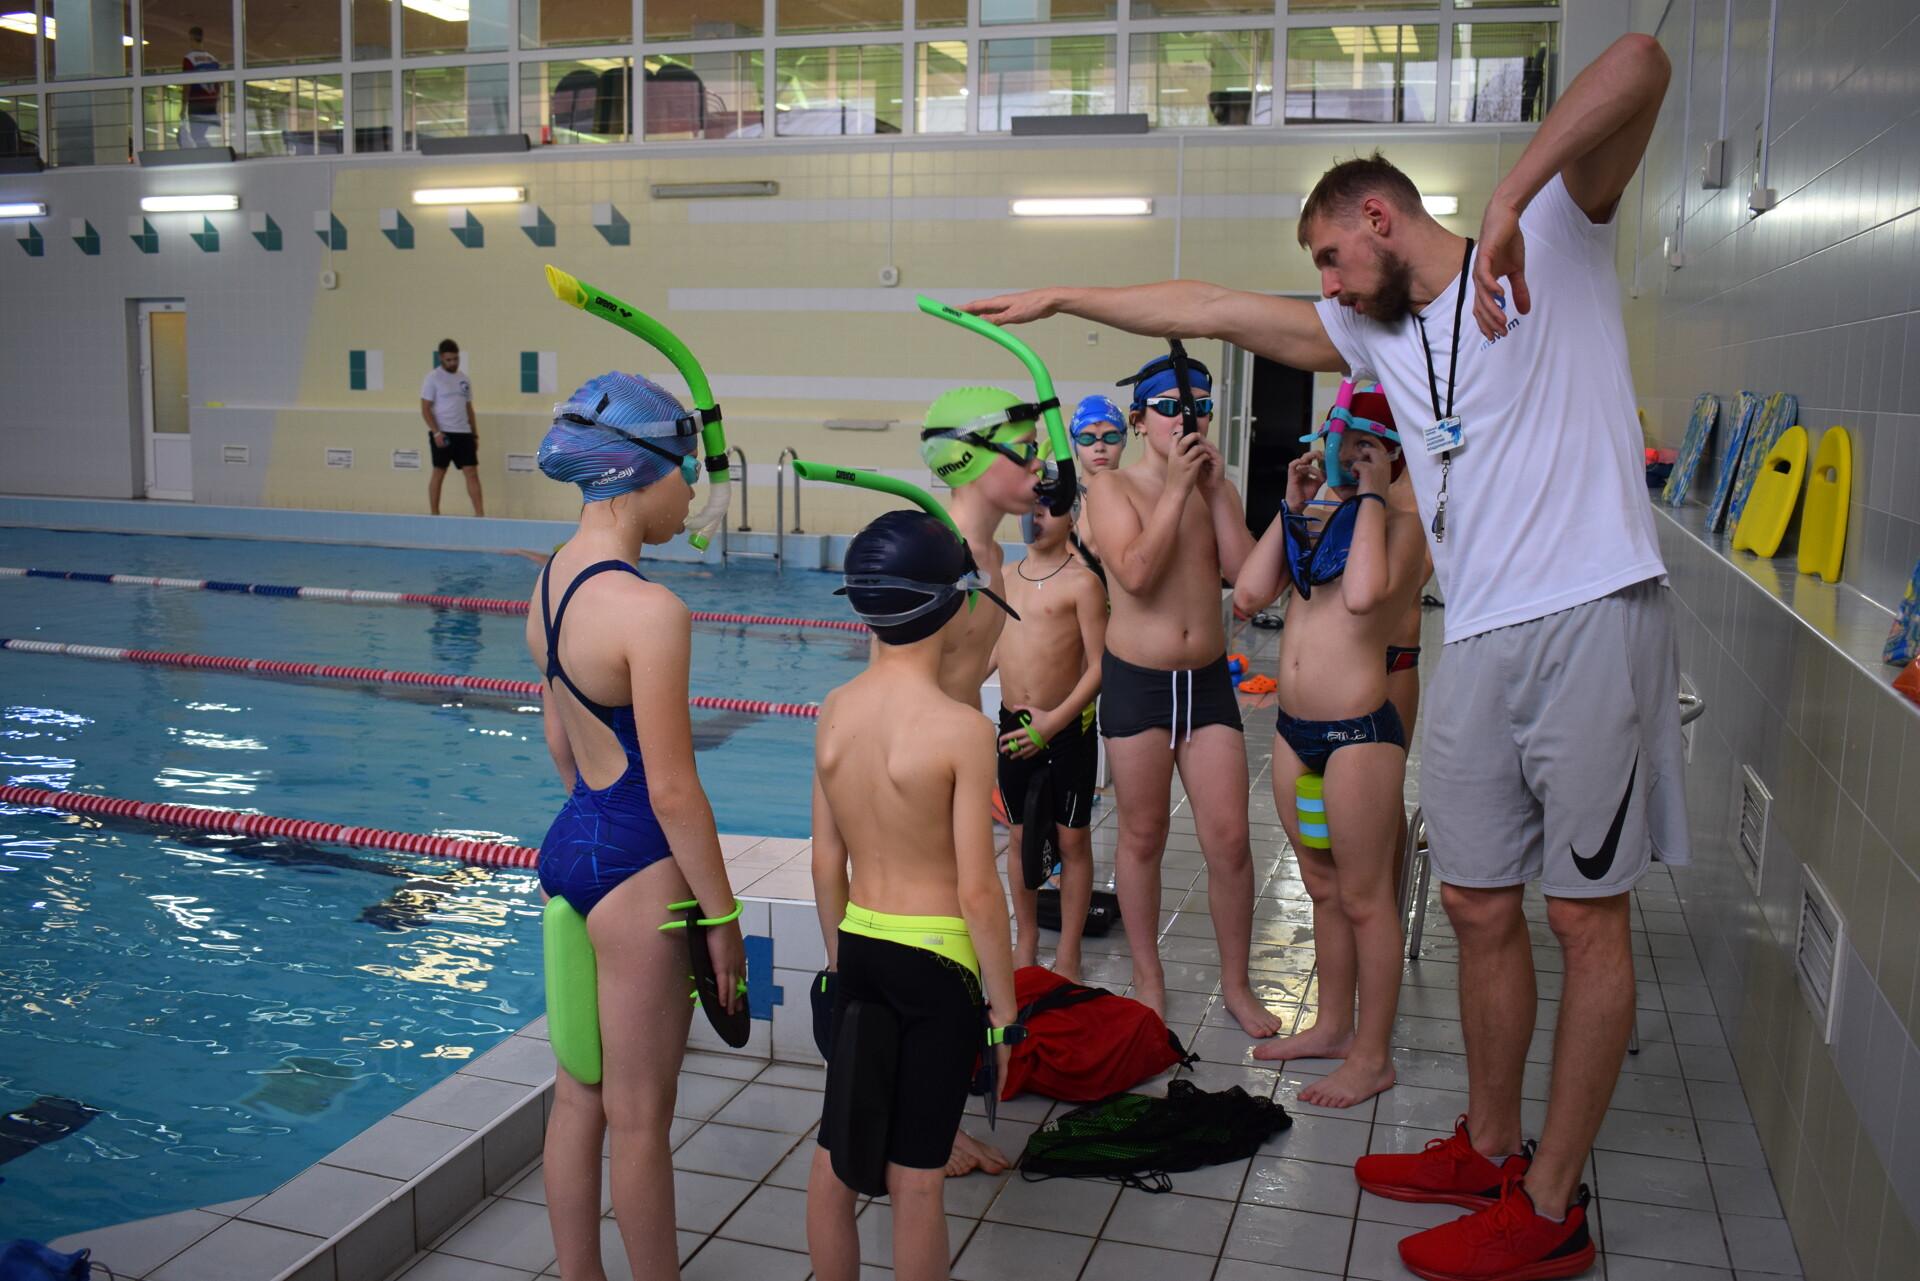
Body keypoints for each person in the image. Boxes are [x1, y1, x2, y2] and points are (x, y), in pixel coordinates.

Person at [963, 34, 1681, 1280]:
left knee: (1583, 920)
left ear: (1379, 213)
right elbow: (1203, 308)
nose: (1331, 289)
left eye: (1334, 260)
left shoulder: (1555, 240)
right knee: (1470, 900)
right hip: (1489, 635)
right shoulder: (1378, 339)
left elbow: (1640, 60)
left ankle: (1553, 1204)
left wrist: (1513, 198)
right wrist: (1069, 298)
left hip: (1592, 611)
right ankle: (1491, 1143)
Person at [526, 372, 746, 1281]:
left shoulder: (549, 579)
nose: (692, 490)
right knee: (642, 1117)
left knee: (578, 1094)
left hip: (572, 839)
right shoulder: (653, 611)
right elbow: (676, 791)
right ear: (639, 471)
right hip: (637, 864)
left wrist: (594, 816)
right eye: (686, 468)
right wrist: (724, 921)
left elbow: (558, 736)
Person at [806, 510, 1020, 1281]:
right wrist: (1004, 1002)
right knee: (917, 1177)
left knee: (837, 1160)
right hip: (939, 967)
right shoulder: (961, 729)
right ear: (957, 604)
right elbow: (977, 890)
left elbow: (826, 861)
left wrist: (840, 964)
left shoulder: (834, 708)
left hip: (860, 948)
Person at [1071, 352, 1279, 1038]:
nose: (1185, 420)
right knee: (1144, 834)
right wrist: (1178, 491)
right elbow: (1132, 572)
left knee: (1230, 840)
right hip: (1138, 682)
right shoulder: (1111, 488)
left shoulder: (1215, 484)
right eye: (1169, 408)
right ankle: (1149, 979)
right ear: (1141, 420)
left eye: (1198, 409)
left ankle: (1238, 985)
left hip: (1209, 682)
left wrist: (1217, 493)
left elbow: (1245, 578)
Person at [1233, 387, 1426, 1109]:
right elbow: (1250, 593)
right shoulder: (1315, 519)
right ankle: (1333, 1026)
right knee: (1322, 888)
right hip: (1292, 729)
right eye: (1338, 450)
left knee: (1369, 899)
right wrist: (1290, 503)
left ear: (1385, 454)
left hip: (1358, 735)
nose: (1341, 463)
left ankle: (1372, 1055)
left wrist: (1373, 494)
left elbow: (1363, 595)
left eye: (1359, 451)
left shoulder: (1403, 525)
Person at [992, 492, 1106, 980]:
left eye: (1049, 508)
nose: (1036, 516)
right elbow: (993, 653)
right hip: (1013, 726)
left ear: (1073, 515)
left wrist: (1053, 722)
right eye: (1031, 507)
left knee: (1071, 839)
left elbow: (1102, 667)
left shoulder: (1082, 583)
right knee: (1019, 836)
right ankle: (1028, 938)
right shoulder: (1003, 580)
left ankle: (1070, 951)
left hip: (1066, 728)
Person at [918, 387, 1046, 703]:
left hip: (962, 741)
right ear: (969, 456)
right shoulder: (933, 558)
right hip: (927, 746)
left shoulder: (990, 554)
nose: (1038, 464)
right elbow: (894, 692)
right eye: (1026, 449)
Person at [421, 338, 485, 516]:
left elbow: (468, 408)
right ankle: (434, 514)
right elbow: (425, 408)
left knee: (471, 472)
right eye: (449, 360)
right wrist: (436, 433)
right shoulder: (432, 378)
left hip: (463, 433)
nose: (453, 363)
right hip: (443, 433)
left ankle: (480, 515)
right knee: (439, 472)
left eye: (456, 359)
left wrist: (475, 434)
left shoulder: (463, 379)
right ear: (441, 358)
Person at [1068, 394, 1127, 567]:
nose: (1100, 448)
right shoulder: (1064, 501)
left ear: (1123, 441)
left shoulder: (1137, 495)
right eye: (1087, 439)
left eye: (1111, 437)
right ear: (1075, 445)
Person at [181, 28, 221, 148]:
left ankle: (209, 156)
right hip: (211, 102)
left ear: (191, 38)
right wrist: (216, 101)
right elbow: (217, 84)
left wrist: (183, 106)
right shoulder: (213, 59)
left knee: (197, 135)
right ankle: (210, 155)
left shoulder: (189, 59)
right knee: (203, 135)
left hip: (197, 102)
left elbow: (187, 84)